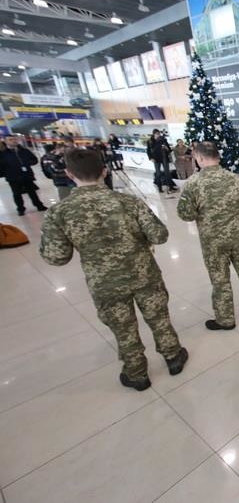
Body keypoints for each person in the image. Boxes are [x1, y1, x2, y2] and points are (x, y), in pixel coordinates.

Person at [39, 149, 187, 391]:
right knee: (158, 317)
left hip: (104, 282)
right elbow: (159, 235)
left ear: (69, 174)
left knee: (122, 327)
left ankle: (137, 373)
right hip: (143, 274)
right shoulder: (129, 202)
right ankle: (173, 357)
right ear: (104, 171)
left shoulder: (59, 212)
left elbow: (56, 257)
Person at [177, 142, 239, 330]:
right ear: (218, 156)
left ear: (200, 158)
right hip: (238, 237)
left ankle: (226, 320)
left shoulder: (193, 183)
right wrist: (234, 205)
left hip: (212, 242)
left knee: (220, 280)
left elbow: (185, 214)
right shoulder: (235, 179)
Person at [0, 135, 47, 215]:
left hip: (26, 175)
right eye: (10, 139)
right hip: (13, 177)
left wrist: (27, 164)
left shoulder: (24, 151)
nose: (14, 141)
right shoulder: (3, 154)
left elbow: (34, 160)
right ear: (5, 141)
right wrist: (6, 173)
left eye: (15, 139)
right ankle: (20, 209)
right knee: (17, 193)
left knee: (32, 192)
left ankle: (39, 205)